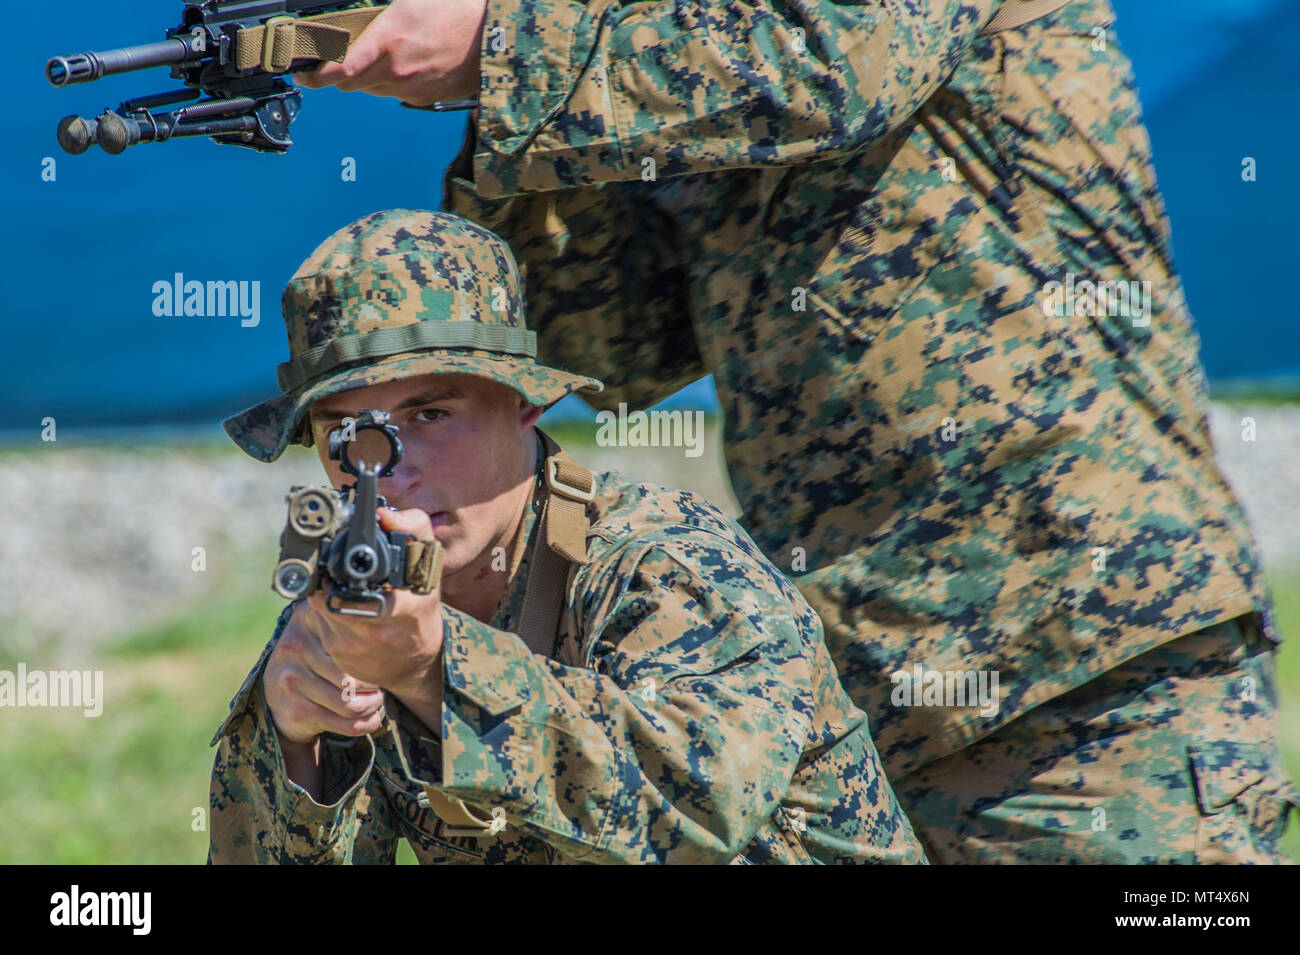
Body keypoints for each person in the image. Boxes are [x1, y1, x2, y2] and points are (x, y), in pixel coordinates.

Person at [291, 0, 1300, 862]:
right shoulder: (662, 58)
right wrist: (505, 114)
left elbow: (838, 64)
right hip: (846, 693)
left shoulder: (710, 50)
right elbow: (610, 347)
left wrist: (509, 44)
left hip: (1079, 644)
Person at [207, 209, 926, 864]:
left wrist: (437, 673)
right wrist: (297, 750)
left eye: (429, 414)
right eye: (345, 432)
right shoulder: (360, 609)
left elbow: (700, 810)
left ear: (524, 401)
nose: (390, 471)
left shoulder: (664, 562)